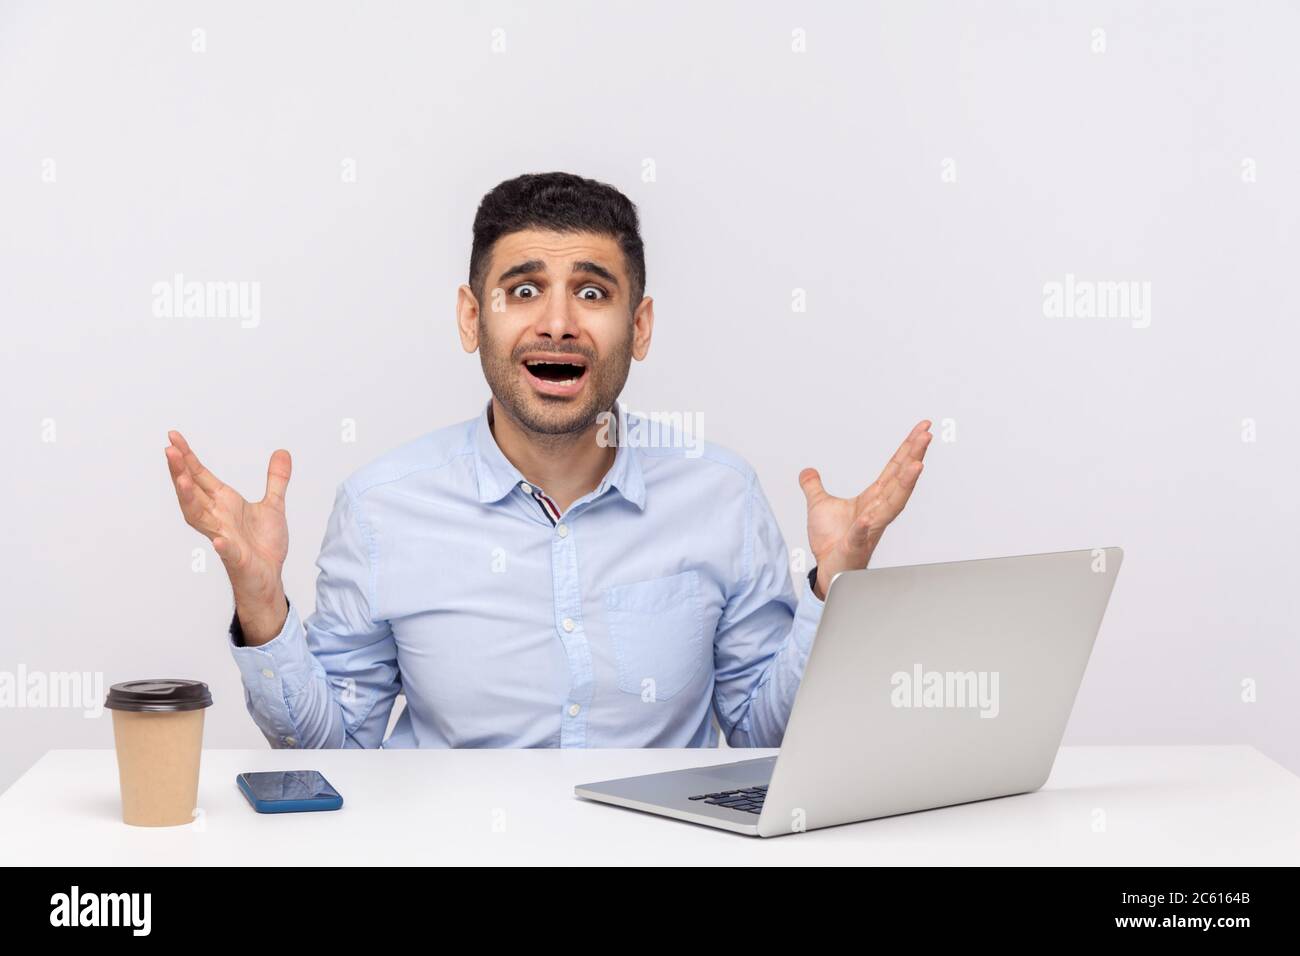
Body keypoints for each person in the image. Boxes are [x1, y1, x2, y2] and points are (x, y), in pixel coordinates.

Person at [164, 171, 930, 749]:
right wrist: (261, 605)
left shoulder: (720, 496)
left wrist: (836, 588)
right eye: (523, 289)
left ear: (641, 325)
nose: (558, 324)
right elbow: (334, 755)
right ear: (473, 318)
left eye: (592, 294)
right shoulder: (381, 509)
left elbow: (766, 741)